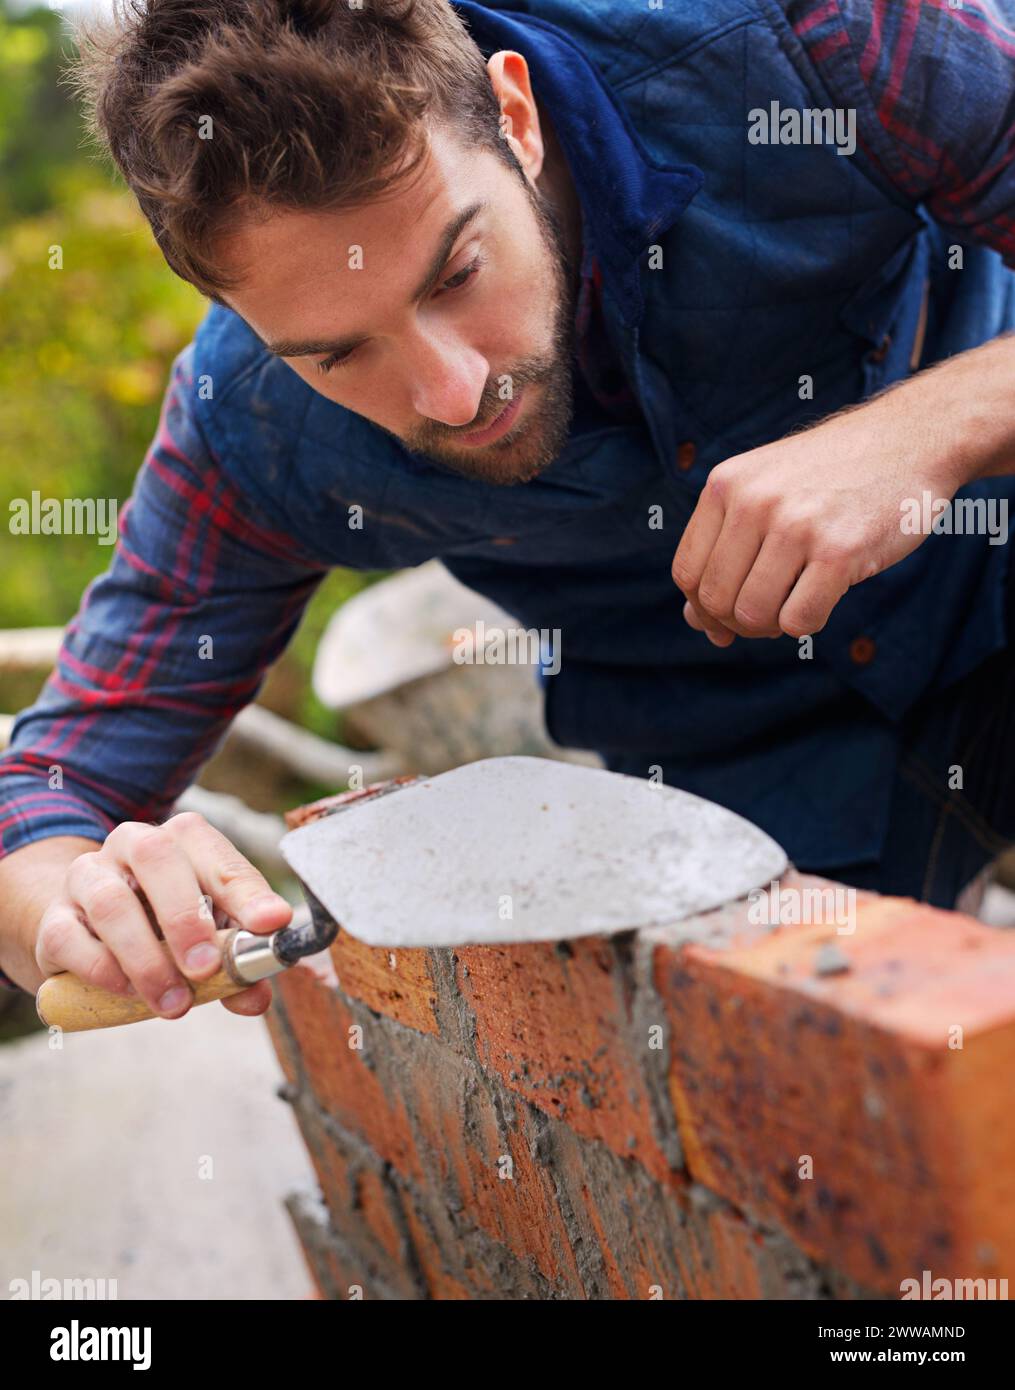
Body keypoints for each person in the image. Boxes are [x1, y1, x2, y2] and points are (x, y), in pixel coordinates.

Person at [3, 0, 1015, 1017]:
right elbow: (46, 790)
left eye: (456, 273)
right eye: (339, 353)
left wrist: (928, 431)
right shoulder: (253, 426)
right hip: (738, 788)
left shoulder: (817, 41)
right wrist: (78, 903)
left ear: (515, 117)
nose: (451, 392)